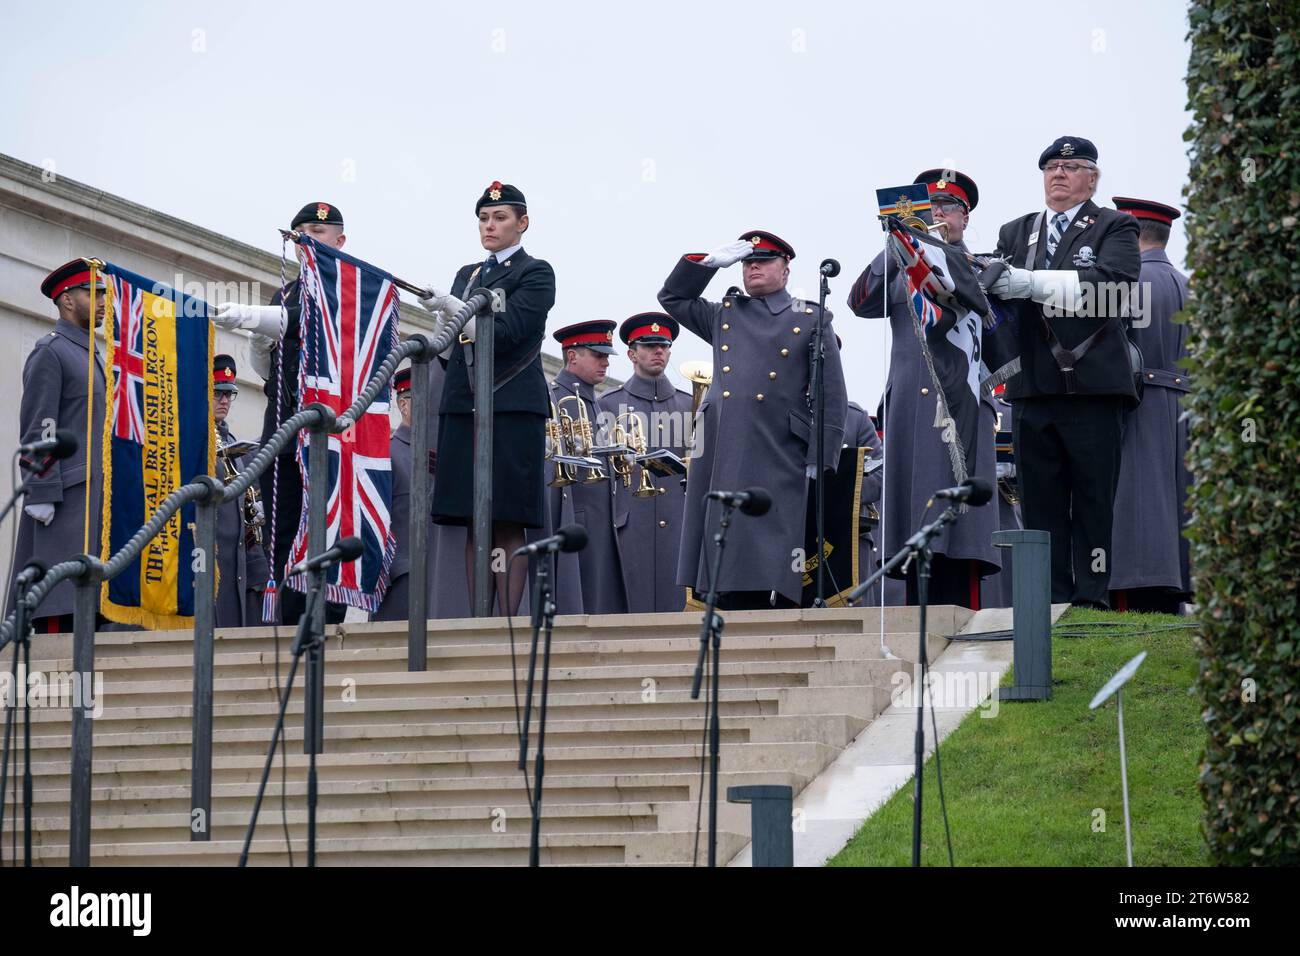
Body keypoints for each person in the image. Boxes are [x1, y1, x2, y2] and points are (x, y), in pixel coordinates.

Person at [986, 137, 1141, 608]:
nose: (1058, 174)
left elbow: (1115, 290)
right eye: (1052, 167)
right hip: (1033, 385)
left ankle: (1092, 596)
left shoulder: (1115, 225)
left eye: (1071, 167)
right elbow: (998, 304)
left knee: (1094, 499)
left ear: (1091, 178)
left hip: (1094, 386)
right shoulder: (1017, 231)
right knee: (1039, 502)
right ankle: (1049, 600)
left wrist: (1030, 282)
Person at [658, 230, 847, 610]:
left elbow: (830, 394)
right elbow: (672, 298)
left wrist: (819, 456)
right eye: (747, 262)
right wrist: (707, 265)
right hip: (722, 441)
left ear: (786, 268)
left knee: (767, 546)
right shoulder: (725, 312)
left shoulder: (809, 316)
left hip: (776, 446)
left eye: (763, 261)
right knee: (721, 542)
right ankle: (723, 601)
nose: (753, 267)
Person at [848, 169, 1001, 607]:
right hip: (910, 414)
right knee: (915, 526)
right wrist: (890, 245)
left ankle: (962, 616)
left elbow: (999, 338)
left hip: (960, 410)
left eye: (948, 208)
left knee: (959, 530)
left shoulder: (982, 268)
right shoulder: (900, 269)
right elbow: (858, 303)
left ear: (965, 218)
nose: (937, 216)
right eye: (928, 209)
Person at [210, 201, 350, 625]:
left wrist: (259, 317)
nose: (307, 238)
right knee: (283, 524)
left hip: (328, 428)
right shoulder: (285, 291)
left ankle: (324, 616)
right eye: (300, 231)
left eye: (318, 231)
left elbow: (314, 321)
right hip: (285, 425)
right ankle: (287, 618)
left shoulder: (347, 283)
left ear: (340, 240)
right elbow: (279, 370)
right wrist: (258, 345)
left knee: (327, 524)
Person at [425, 181, 555, 616]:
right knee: (471, 518)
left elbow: (505, 334)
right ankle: (478, 617)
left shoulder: (535, 272)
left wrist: (455, 310)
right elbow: (454, 348)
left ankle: (506, 623)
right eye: (483, 218)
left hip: (512, 406)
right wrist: (444, 321)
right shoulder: (469, 274)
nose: (490, 225)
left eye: (500, 218)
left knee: (505, 517)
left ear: (523, 223)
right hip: (465, 404)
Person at [8, 260, 107, 633]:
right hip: (66, 499)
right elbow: (38, 427)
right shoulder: (51, 351)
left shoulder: (90, 354)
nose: (101, 302)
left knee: (87, 605)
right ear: (67, 300)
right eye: (92, 294)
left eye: (103, 295)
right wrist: (42, 491)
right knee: (58, 607)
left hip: (94, 498)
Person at [1108, 197, 1191, 613]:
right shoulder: (1189, 285)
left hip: (1140, 404)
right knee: (1175, 510)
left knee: (1139, 511)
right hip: (1184, 409)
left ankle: (1138, 595)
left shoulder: (1131, 284)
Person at [596, 313, 693, 613]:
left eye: (663, 345)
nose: (658, 351)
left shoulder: (690, 404)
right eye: (649, 345)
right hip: (630, 521)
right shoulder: (608, 404)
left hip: (680, 520)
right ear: (631, 354)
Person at [545, 320, 628, 615]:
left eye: (606, 356)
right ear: (572, 355)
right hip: (572, 518)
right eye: (598, 355)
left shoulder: (600, 405)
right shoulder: (553, 399)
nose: (605, 363)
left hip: (604, 519)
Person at [371, 367, 439, 622]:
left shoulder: (440, 449)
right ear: (404, 404)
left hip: (440, 574)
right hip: (402, 579)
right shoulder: (387, 455)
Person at [212, 355, 269, 627]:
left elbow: (252, 510)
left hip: (239, 564)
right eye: (217, 393)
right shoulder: (195, 440)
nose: (224, 400)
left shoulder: (236, 444)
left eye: (229, 394)